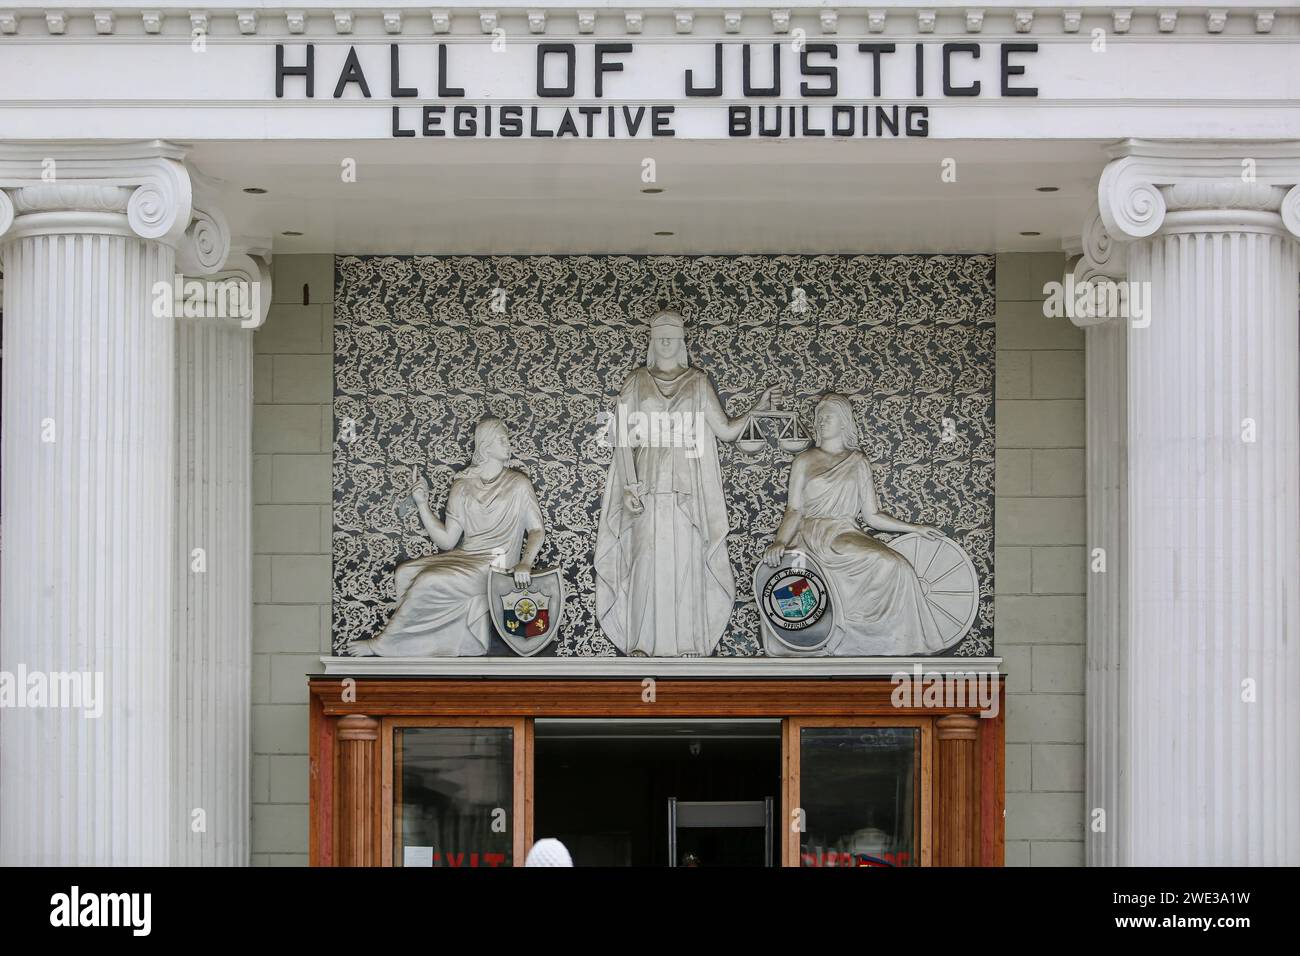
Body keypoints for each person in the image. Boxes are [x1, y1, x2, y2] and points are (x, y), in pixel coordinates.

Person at [595, 310, 772, 657]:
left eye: (672, 337)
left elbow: (725, 430)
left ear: (681, 342)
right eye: (660, 335)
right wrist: (629, 487)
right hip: (645, 484)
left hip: (686, 486)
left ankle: (689, 641)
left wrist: (757, 411)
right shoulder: (636, 381)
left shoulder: (697, 382)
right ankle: (641, 643)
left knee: (687, 561)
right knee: (645, 560)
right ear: (651, 340)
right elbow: (620, 440)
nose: (665, 342)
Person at [762, 394, 947, 655]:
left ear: (844, 422)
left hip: (844, 531)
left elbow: (872, 516)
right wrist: (780, 541)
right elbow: (794, 509)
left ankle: (889, 639)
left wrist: (914, 528)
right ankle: (835, 636)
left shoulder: (857, 461)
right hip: (814, 533)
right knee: (879, 561)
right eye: (820, 416)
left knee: (896, 565)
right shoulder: (804, 461)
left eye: (829, 416)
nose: (822, 421)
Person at [347, 417, 544, 657]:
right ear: (486, 446)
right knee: (405, 573)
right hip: (466, 556)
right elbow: (448, 541)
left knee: (428, 580)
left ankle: (383, 644)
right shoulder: (462, 485)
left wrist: (525, 563)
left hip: (496, 563)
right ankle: (419, 646)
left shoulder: (519, 484)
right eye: (502, 439)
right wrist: (422, 505)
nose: (508, 443)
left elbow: (536, 530)